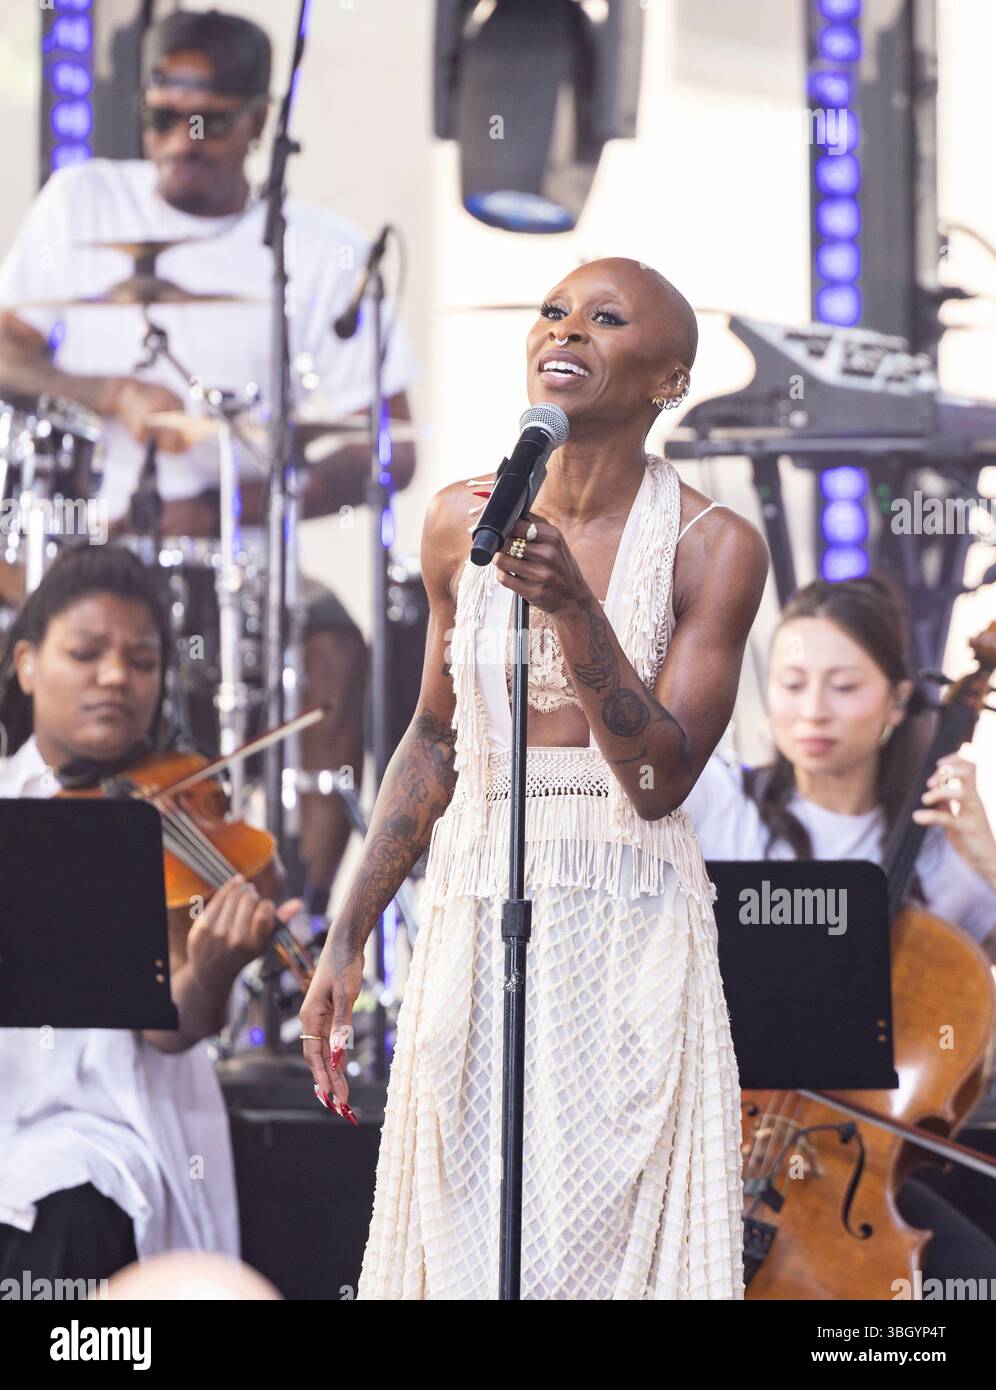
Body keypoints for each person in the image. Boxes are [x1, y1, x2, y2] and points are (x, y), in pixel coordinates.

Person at [300, 257, 770, 1299]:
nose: (567, 328)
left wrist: (573, 610)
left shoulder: (716, 546)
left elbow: (658, 780)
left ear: (669, 380)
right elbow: (432, 739)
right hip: (474, 906)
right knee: (469, 1247)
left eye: (606, 318)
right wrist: (346, 936)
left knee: (606, 1259)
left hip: (625, 922)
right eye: (553, 310)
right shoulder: (455, 519)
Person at [0, 7, 419, 910]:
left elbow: (395, 442)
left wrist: (246, 502)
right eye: (161, 117)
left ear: (258, 121)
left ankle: (291, 918)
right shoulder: (84, 201)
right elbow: (5, 348)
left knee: (339, 655)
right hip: (83, 551)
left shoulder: (318, 252)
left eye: (207, 122)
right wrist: (105, 393)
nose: (177, 144)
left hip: (241, 560)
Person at [681, 572, 996, 1288]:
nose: (813, 711)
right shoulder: (722, 805)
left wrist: (989, 857)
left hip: (843, 1181)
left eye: (844, 686)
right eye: (792, 684)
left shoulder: (944, 857)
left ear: (895, 704)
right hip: (703, 1150)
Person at [0, 544, 300, 1283]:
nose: (116, 678)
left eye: (141, 661)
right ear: (28, 663)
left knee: (60, 1202)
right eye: (86, 652)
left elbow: (175, 1028)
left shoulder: (175, 821)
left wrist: (213, 967)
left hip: (107, 1133)